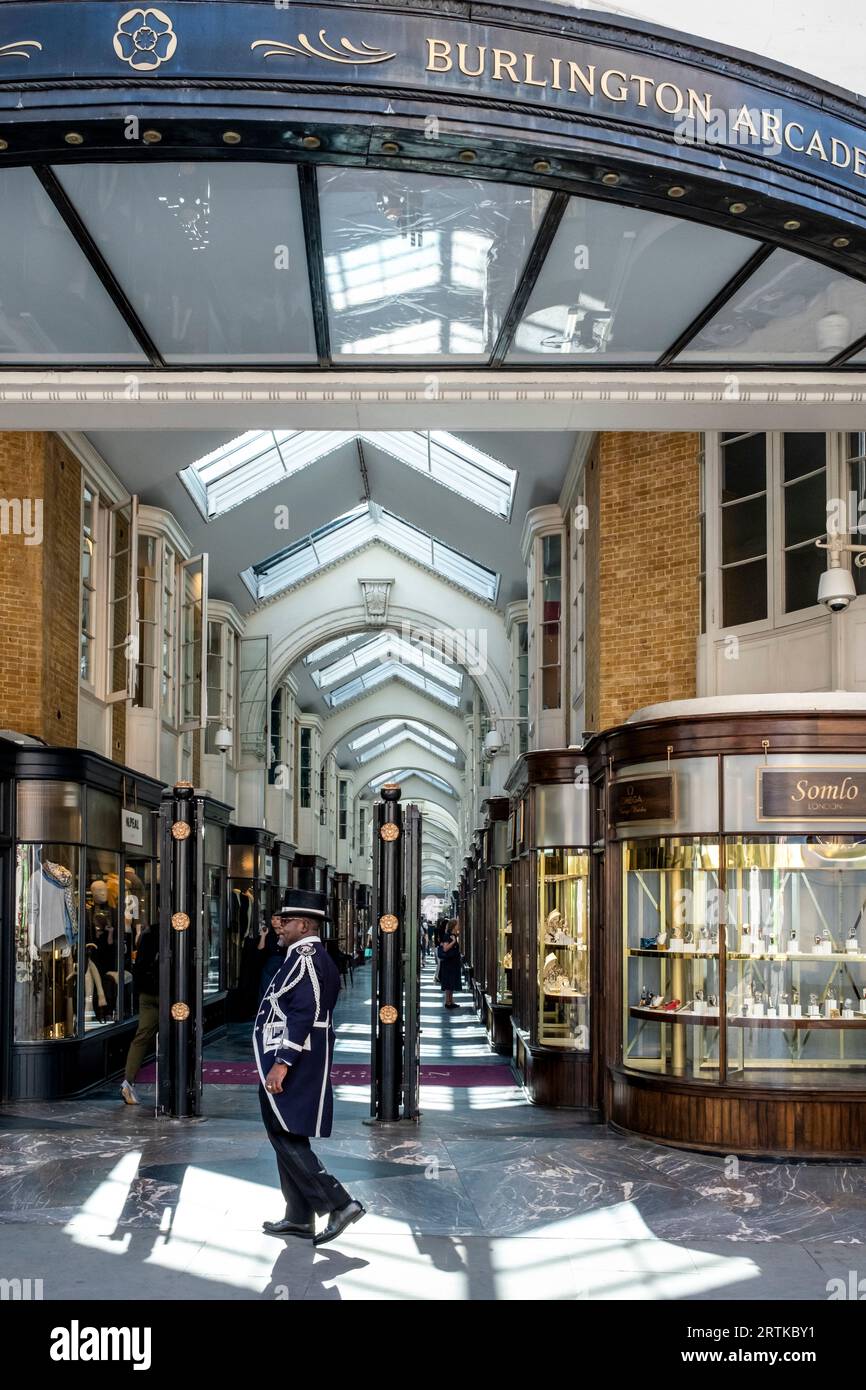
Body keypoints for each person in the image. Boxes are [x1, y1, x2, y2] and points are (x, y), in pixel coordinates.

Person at [255, 888, 366, 1246]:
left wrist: (282, 1063)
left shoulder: (305, 956)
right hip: (295, 1056)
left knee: (284, 1133)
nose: (279, 927)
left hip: (295, 1060)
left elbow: (306, 1011)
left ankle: (340, 1203)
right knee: (287, 1130)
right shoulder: (302, 953)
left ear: (304, 924)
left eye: (285, 921)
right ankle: (299, 1217)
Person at [120, 921, 158, 1105]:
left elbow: (139, 964)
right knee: (176, 1036)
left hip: (146, 993)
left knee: (142, 1036)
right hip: (168, 994)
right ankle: (174, 1086)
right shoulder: (174, 935)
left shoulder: (146, 935)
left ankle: (128, 1082)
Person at [437, 919, 463, 1009]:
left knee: (451, 983)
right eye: (457, 925)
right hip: (448, 963)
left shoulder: (453, 935)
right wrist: (453, 942)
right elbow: (445, 948)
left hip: (453, 962)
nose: (459, 926)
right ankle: (447, 1002)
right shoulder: (447, 936)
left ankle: (451, 1001)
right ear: (453, 926)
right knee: (448, 983)